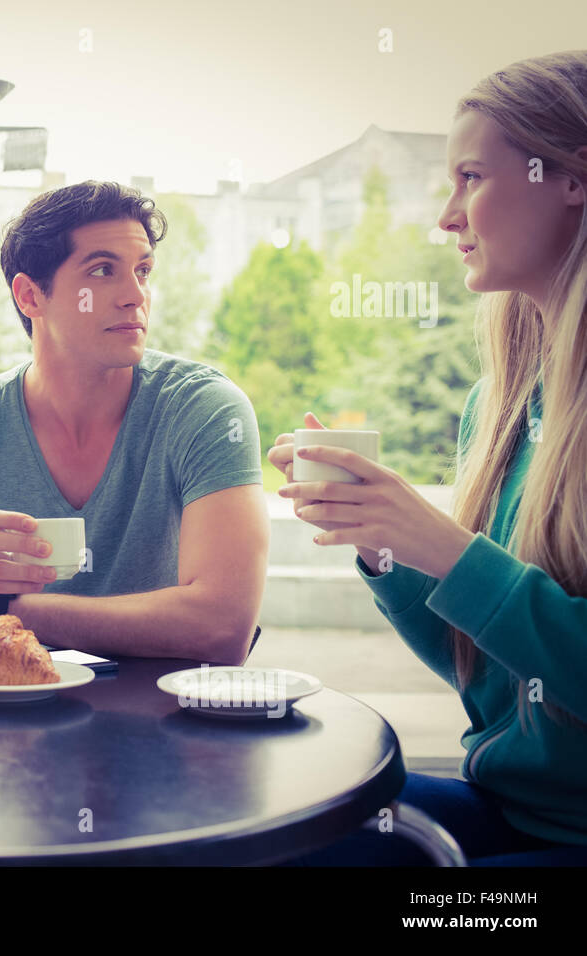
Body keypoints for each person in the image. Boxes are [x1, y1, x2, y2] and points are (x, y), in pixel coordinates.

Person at [268, 51, 587, 866]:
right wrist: (387, 544)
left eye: (472, 177)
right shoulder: (503, 405)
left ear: (571, 178)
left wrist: (448, 548)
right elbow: (481, 674)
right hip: (510, 807)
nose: (447, 217)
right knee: (263, 817)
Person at [0, 181, 269, 661]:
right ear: (30, 296)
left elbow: (222, 628)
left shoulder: (204, 410)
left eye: (143, 271)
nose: (135, 295)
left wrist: (3, 608)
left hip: (165, 726)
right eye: (102, 271)